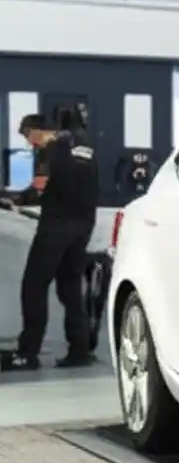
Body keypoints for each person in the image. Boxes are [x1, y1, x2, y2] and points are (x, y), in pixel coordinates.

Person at [1, 114, 100, 372]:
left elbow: (38, 190)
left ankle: (27, 354)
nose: (29, 143)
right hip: (83, 226)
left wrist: (10, 197)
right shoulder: (83, 145)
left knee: (34, 286)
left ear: (38, 131)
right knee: (69, 288)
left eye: (28, 136)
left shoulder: (50, 148)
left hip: (55, 227)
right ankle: (79, 350)